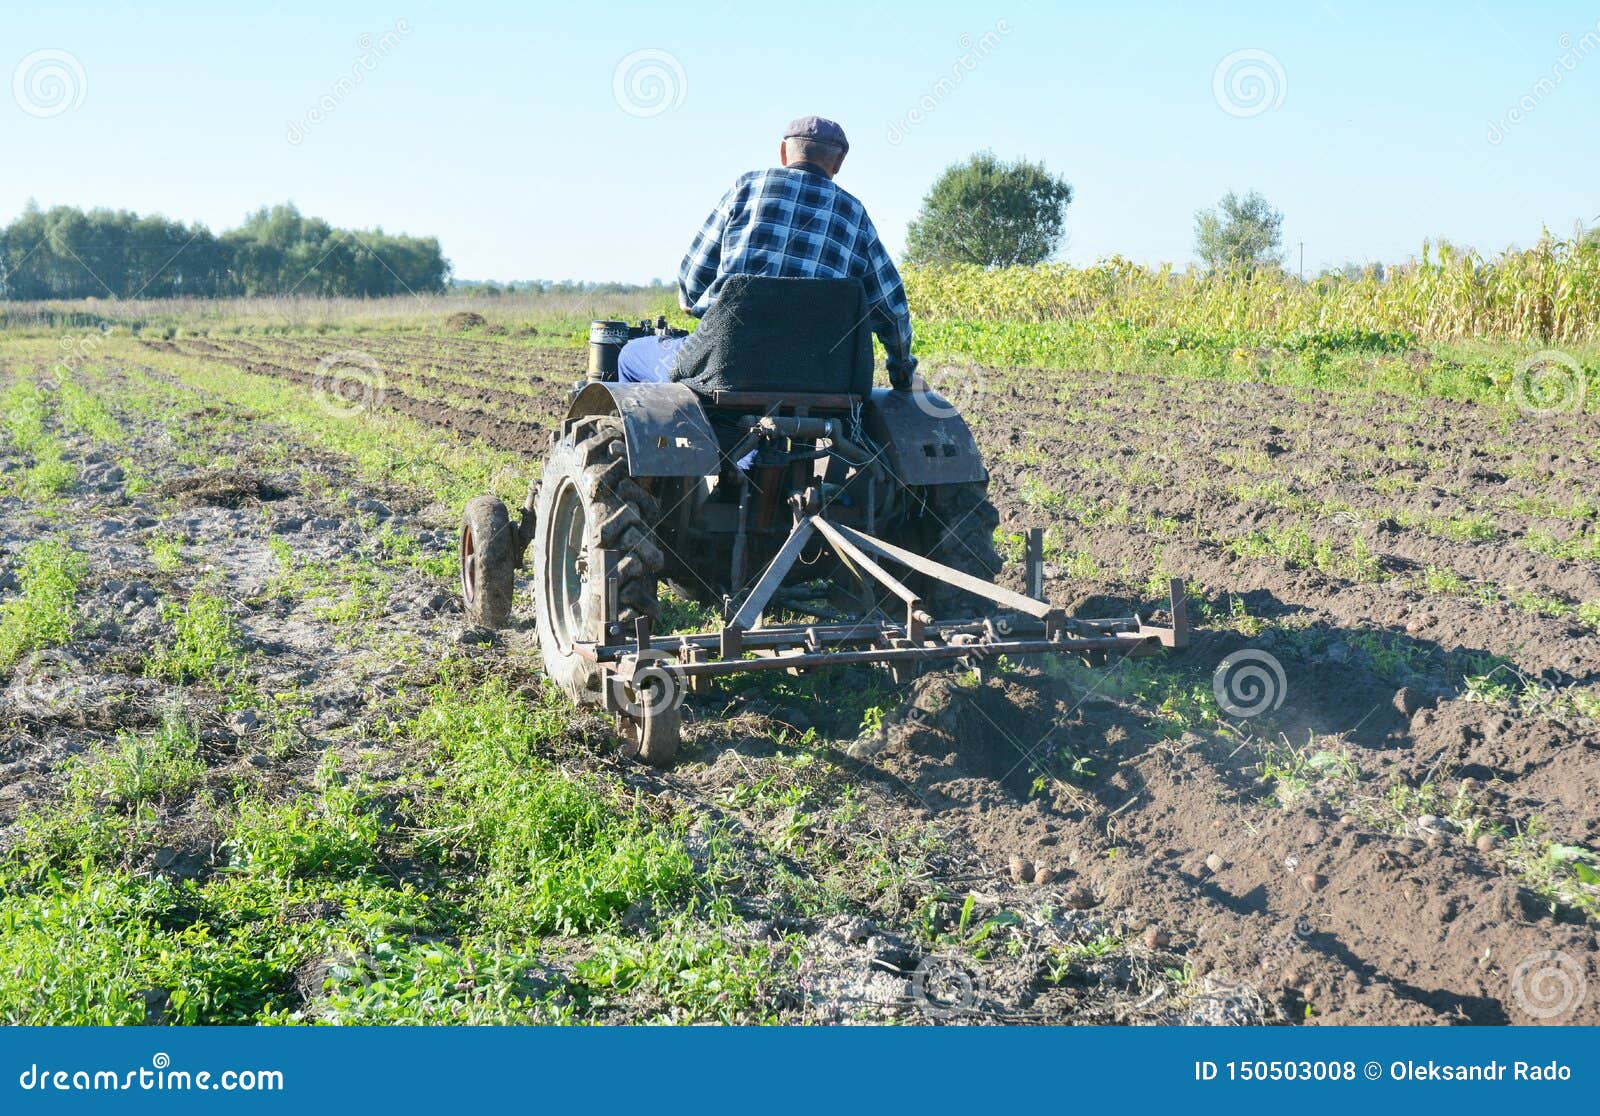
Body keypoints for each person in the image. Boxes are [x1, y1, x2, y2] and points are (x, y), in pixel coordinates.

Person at [618, 115, 917, 389]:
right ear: (838, 163)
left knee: (630, 355)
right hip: (822, 378)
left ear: (784, 153)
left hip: (728, 369)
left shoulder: (746, 188)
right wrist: (900, 370)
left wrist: (695, 302)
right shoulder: (854, 214)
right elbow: (892, 310)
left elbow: (693, 277)